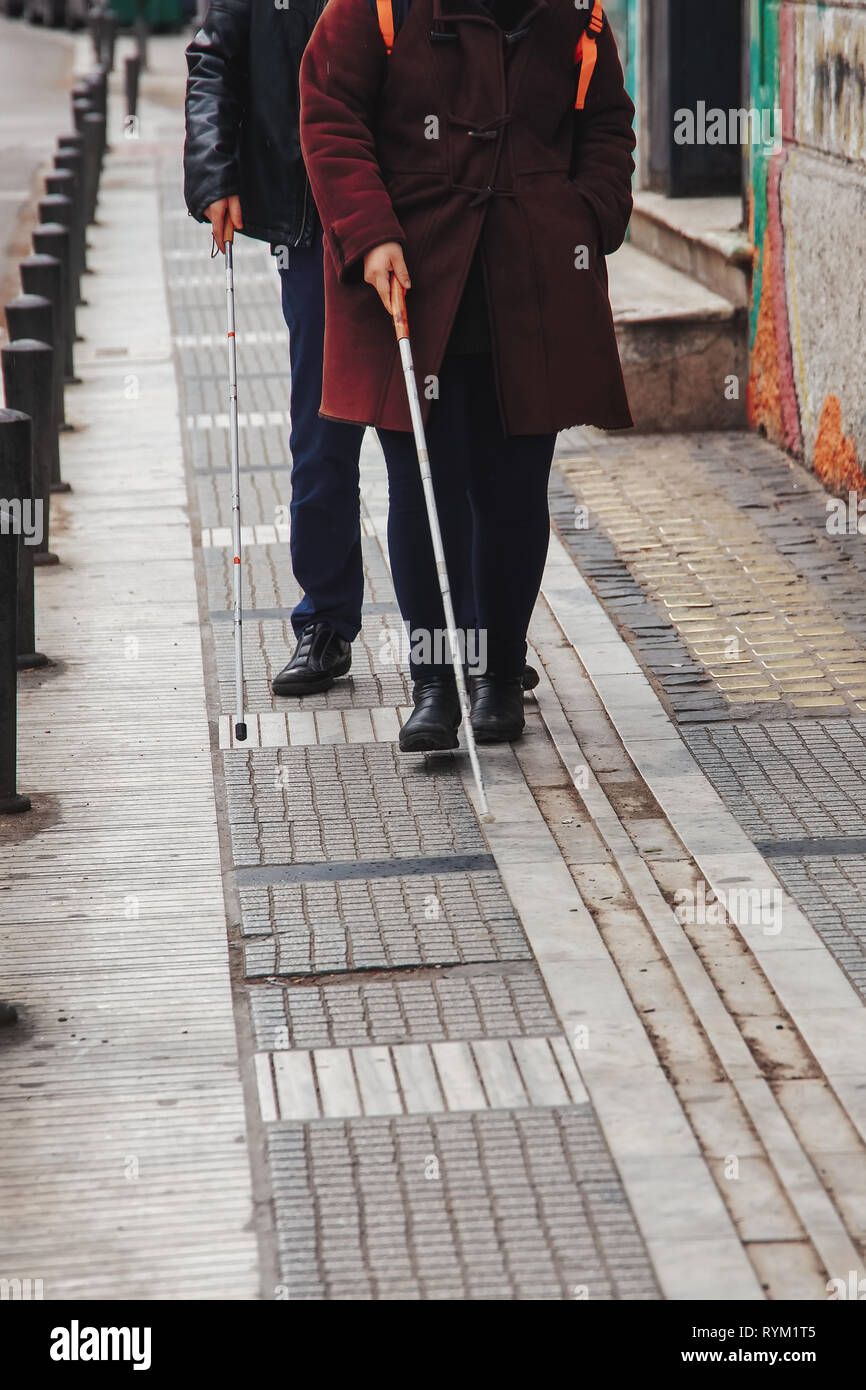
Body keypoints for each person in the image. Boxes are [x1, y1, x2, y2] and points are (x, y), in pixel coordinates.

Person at [299, 0, 635, 750]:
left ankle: (498, 673)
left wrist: (588, 214)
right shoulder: (379, 7)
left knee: (514, 497)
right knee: (422, 494)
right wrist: (370, 233)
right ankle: (434, 684)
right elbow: (330, 112)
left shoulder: (575, 13)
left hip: (532, 290)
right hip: (412, 285)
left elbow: (607, 123)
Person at [183, 1, 365, 696]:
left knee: (443, 428)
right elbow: (214, 58)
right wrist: (215, 175)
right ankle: (324, 619)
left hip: (424, 213)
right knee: (322, 426)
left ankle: (478, 630)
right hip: (312, 222)